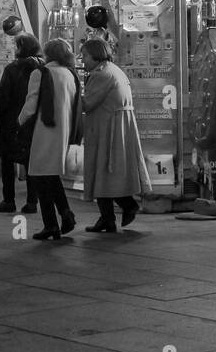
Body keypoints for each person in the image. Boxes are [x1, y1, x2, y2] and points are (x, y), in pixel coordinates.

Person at [80, 39, 151, 232]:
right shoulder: (113, 69)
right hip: (115, 126)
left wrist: (70, 93)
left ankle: (121, 209)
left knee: (104, 169)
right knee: (109, 171)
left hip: (108, 128)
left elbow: (88, 103)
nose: (83, 59)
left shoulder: (101, 75)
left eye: (85, 55)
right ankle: (108, 217)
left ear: (96, 54)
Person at [19, 39, 80, 240]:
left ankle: (52, 223)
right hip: (64, 129)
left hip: (43, 130)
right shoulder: (70, 74)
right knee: (50, 174)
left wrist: (19, 122)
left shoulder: (40, 73)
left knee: (38, 175)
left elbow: (31, 104)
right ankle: (64, 214)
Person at [0, 34, 43, 215]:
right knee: (30, 161)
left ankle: (9, 200)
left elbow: (3, 97)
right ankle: (32, 201)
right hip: (33, 121)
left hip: (11, 121)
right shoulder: (42, 67)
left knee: (7, 161)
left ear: (21, 48)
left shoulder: (12, 69)